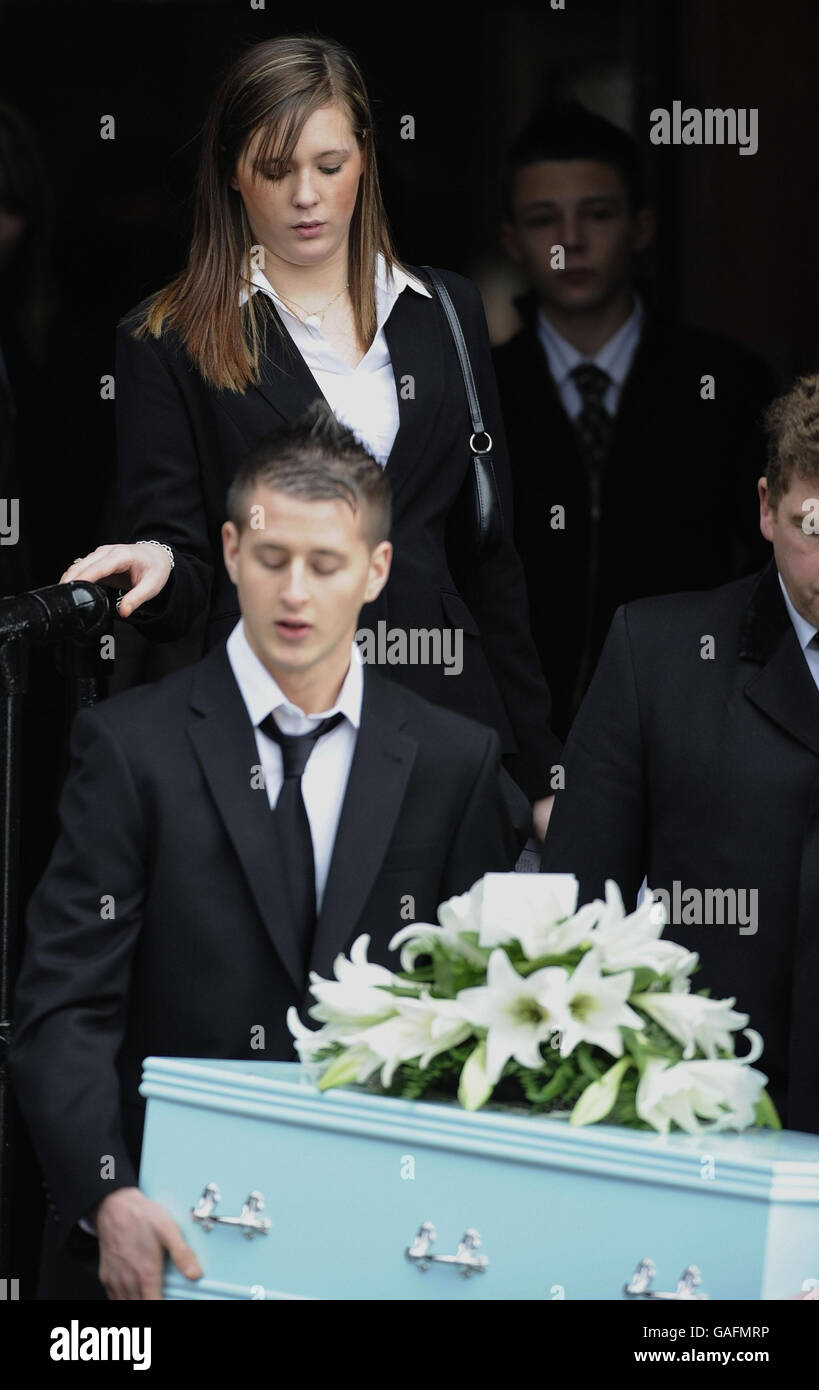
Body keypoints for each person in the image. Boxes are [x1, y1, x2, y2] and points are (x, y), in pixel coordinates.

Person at [10, 402, 524, 1301]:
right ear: (231, 552)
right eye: (272, 558)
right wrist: (108, 1195)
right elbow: (63, 1005)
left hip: (374, 1248)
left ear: (376, 571)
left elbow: (476, 1020)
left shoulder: (454, 760)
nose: (294, 593)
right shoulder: (130, 748)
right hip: (156, 1246)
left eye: (324, 564)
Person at [60, 33, 560, 836]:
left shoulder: (448, 312)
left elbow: (490, 557)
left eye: (328, 166)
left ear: (365, 157)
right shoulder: (167, 337)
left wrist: (536, 771)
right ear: (230, 170)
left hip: (451, 721)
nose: (305, 195)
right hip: (273, 730)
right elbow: (185, 561)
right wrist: (154, 557)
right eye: (273, 168)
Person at [540, 374, 819, 1138]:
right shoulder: (655, 654)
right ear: (766, 508)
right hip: (696, 1123)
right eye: (813, 526)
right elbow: (574, 913)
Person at [493, 99, 775, 738]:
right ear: (511, 240)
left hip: (694, 729)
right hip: (516, 748)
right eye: (544, 219)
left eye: (598, 213)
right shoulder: (478, 390)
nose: (572, 241)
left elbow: (770, 568)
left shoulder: (727, 383)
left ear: (641, 226)